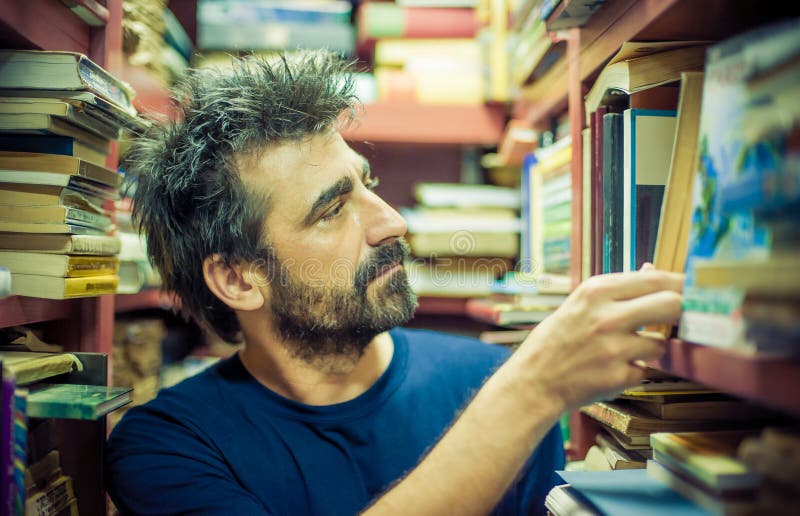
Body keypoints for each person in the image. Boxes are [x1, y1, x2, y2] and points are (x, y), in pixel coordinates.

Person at [106, 51, 683, 515]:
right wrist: (530, 392)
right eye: (332, 209)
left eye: (368, 183)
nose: (392, 222)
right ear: (237, 277)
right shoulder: (167, 447)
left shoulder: (485, 381)